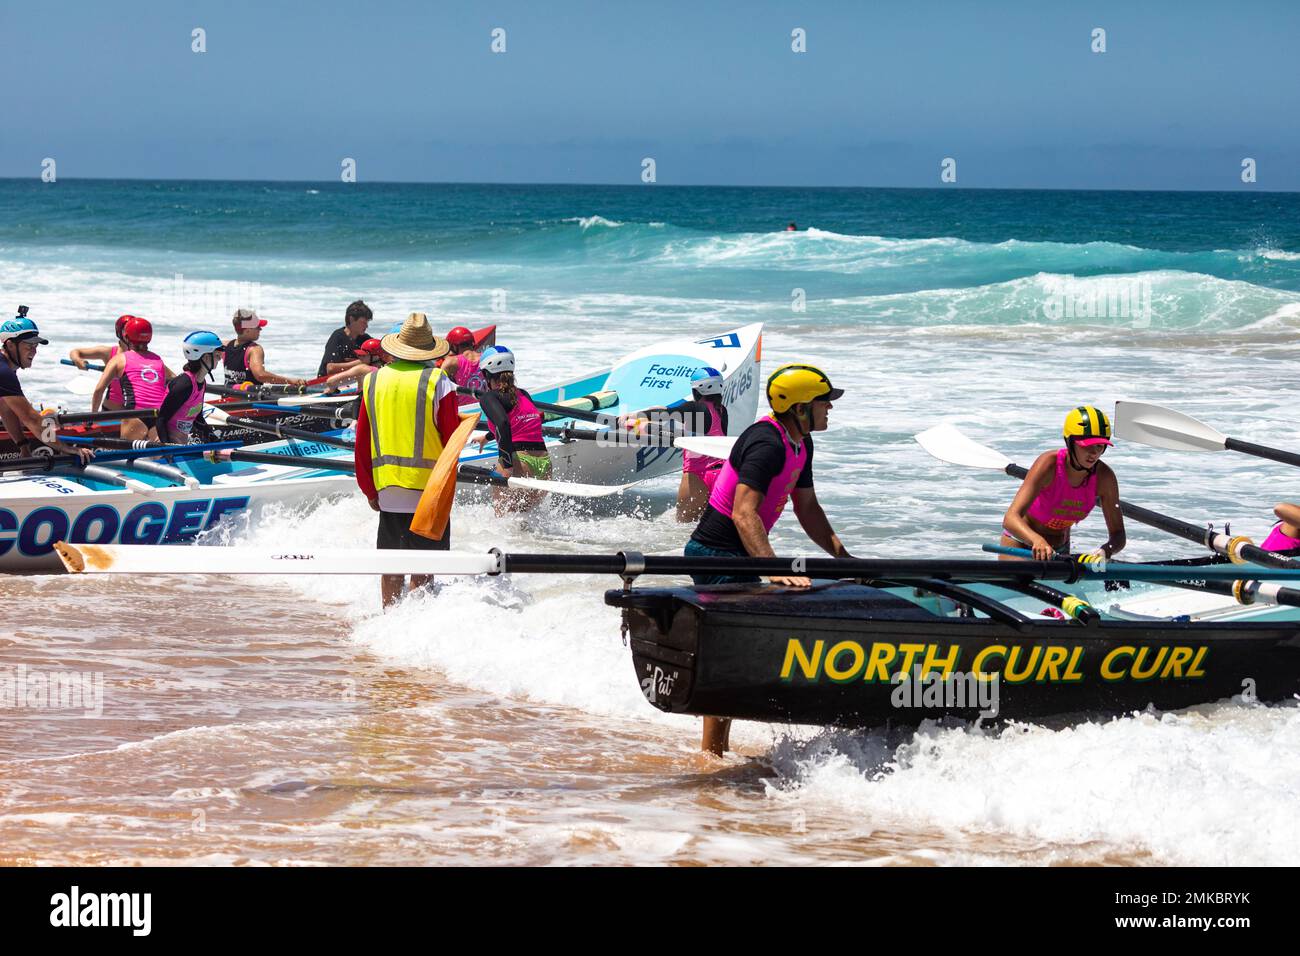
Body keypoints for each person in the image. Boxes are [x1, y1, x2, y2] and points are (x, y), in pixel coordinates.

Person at [685, 363, 852, 756]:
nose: (830, 408)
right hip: (715, 554)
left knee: (742, 647)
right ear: (799, 408)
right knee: (731, 650)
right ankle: (711, 755)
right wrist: (775, 570)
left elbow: (807, 507)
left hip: (740, 554)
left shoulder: (801, 443)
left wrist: (845, 558)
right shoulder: (768, 443)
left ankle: (718, 748)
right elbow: (744, 513)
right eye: (824, 402)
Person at [353, 313, 459, 608]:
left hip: (387, 490)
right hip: (428, 492)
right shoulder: (439, 381)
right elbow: (450, 441)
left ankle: (388, 622)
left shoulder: (372, 381)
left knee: (391, 566)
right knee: (423, 569)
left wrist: (369, 489)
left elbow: (362, 442)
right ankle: (412, 633)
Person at [1000, 407, 1126, 562]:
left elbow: (1118, 535)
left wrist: (1105, 551)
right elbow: (1010, 518)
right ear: (1070, 442)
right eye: (1086, 446)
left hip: (1059, 550)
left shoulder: (1105, 478)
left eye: (1099, 446)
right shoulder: (1049, 465)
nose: (1093, 453)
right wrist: (1036, 540)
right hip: (1021, 543)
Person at [621, 366, 728, 522]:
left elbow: (665, 414)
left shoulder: (694, 408)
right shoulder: (722, 411)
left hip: (697, 476)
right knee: (713, 526)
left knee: (683, 527)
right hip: (723, 474)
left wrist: (633, 416)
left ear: (696, 390)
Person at [0, 313, 94, 463]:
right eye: (29, 346)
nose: (34, 351)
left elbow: (5, 409)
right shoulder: (3, 372)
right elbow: (32, 419)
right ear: (10, 345)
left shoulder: (6, 368)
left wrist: (23, 446)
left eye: (35, 346)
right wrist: (66, 448)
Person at [472, 345, 551, 512]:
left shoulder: (489, 397)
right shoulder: (522, 393)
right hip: (544, 464)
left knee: (504, 521)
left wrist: (507, 465)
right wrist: (486, 438)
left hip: (519, 463)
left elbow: (503, 424)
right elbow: (519, 423)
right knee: (524, 521)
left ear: (486, 375)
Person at [90, 317, 174, 441]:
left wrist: (92, 419)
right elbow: (175, 379)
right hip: (159, 415)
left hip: (135, 415)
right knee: (160, 458)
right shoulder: (158, 360)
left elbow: (99, 390)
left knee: (127, 456)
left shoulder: (119, 359)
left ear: (127, 337)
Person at [156, 331, 225, 445]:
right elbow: (161, 419)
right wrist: (167, 450)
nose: (220, 359)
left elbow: (198, 418)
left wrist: (214, 438)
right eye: (217, 355)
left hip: (182, 442)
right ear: (206, 357)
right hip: (168, 443)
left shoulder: (202, 382)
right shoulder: (184, 385)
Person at [223, 309, 306, 388]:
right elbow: (260, 375)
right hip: (248, 400)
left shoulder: (225, 346)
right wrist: (290, 381)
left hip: (226, 399)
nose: (260, 329)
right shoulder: (254, 350)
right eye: (257, 327)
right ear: (247, 330)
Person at [69, 315, 134, 412]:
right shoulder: (108, 353)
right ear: (120, 333)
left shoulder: (142, 357)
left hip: (134, 416)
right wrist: (78, 360)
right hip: (109, 412)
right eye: (128, 331)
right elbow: (75, 352)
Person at [317, 300, 373, 377]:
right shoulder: (338, 337)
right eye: (363, 322)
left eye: (367, 322)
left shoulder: (364, 339)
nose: (366, 326)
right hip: (326, 384)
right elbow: (330, 369)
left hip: (350, 383)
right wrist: (360, 363)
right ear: (352, 319)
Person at [440, 326, 487, 406]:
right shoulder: (487, 357)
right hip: (487, 410)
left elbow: (439, 389)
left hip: (463, 413)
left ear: (453, 347)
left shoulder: (451, 362)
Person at [323, 338, 388, 392]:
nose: (359, 357)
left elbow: (330, 381)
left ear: (375, 356)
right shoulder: (388, 368)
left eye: (363, 355)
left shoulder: (362, 369)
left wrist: (332, 389)